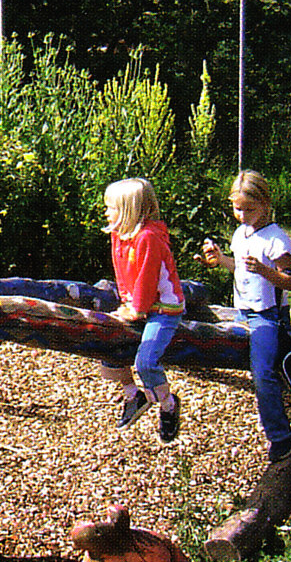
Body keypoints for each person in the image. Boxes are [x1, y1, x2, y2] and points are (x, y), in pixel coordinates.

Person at [199, 170, 291, 462]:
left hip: (268, 314)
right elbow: (240, 267)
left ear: (265, 204)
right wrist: (220, 260)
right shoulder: (241, 233)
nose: (241, 215)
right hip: (244, 309)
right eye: (236, 208)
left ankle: (280, 436)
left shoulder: (276, 239)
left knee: (262, 373)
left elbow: (290, 281)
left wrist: (265, 270)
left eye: (248, 209)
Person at [100, 178, 183, 443]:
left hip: (164, 308)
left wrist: (136, 309)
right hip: (138, 304)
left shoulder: (148, 238)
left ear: (128, 210)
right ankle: (132, 394)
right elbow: (123, 272)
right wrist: (126, 302)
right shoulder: (119, 235)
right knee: (105, 341)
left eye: (111, 207)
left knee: (145, 362)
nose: (106, 212)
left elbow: (147, 279)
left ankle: (168, 405)